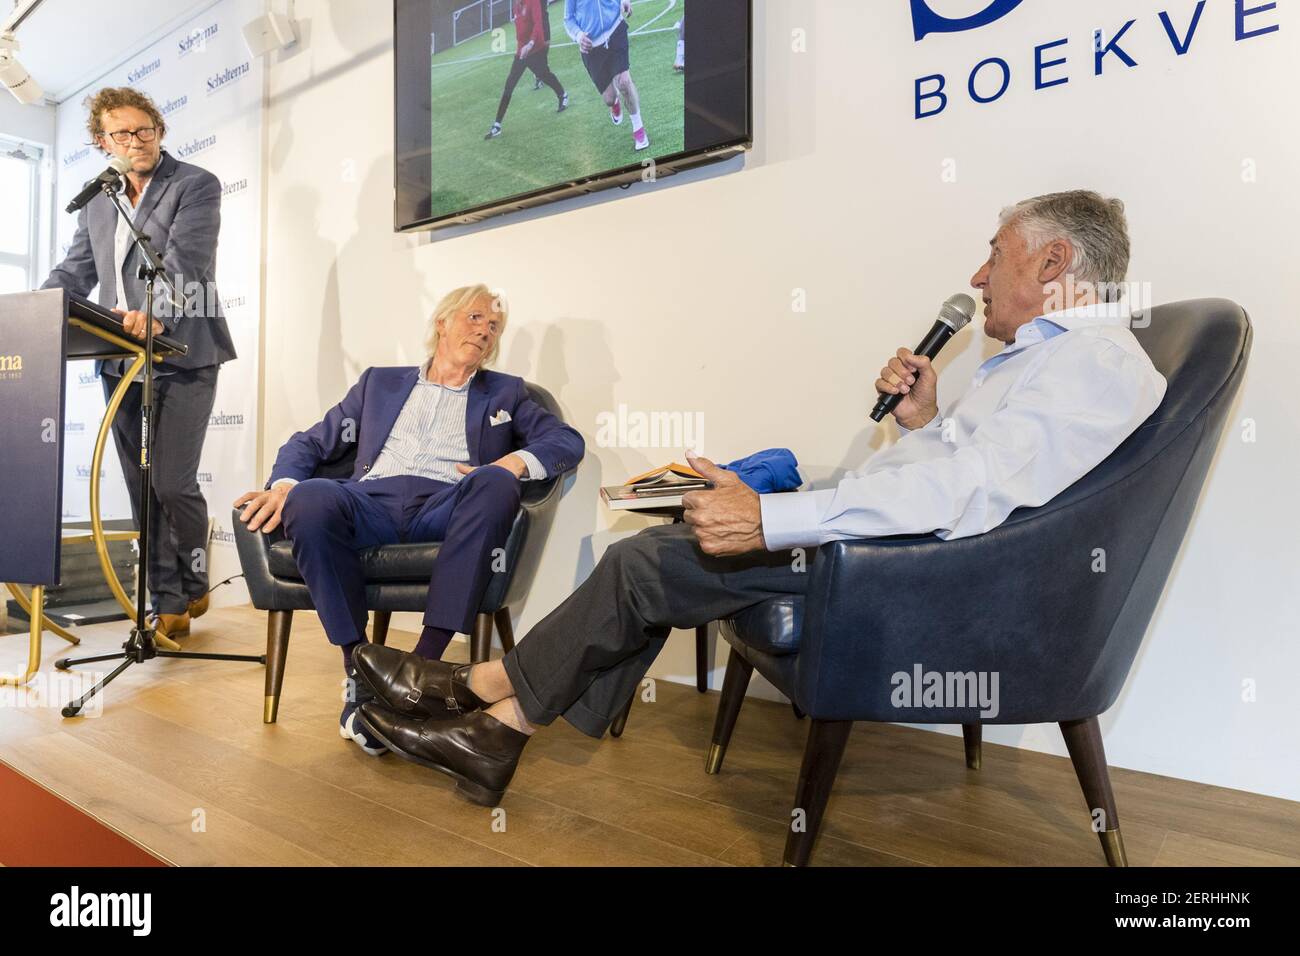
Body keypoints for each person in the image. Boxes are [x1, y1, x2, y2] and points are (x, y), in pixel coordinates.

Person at [352, 191, 1169, 808]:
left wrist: (772, 519)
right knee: (659, 549)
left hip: (926, 583)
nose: (977, 276)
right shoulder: (1044, 362)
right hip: (908, 556)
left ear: (1055, 264)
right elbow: (976, 471)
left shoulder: (1094, 363)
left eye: (995, 256)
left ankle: (479, 694)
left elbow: (965, 497)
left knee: (644, 561)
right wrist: (923, 421)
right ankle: (496, 721)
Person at [233, 285, 583, 756]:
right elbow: (310, 443)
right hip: (369, 502)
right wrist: (284, 485)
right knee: (311, 498)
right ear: (442, 322)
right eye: (475, 317)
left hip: (446, 504)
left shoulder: (506, 393)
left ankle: (420, 668)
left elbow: (566, 441)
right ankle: (361, 670)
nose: (485, 330)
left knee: (497, 484)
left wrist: (511, 465)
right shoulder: (379, 383)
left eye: (494, 326)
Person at [41, 87, 236, 640]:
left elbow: (186, 263)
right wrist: (35, 311)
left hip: (185, 350)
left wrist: (156, 314)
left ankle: (195, 579)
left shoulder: (195, 184)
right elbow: (76, 270)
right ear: (102, 142)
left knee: (172, 483)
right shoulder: (100, 200)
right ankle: (167, 601)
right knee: (140, 486)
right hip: (119, 359)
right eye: (122, 134)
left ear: (160, 131)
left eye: (145, 130)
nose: (136, 141)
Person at [564, 0, 650, 151]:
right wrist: (578, 36)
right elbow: (568, 19)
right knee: (609, 99)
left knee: (624, 82)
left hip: (615, 30)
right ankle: (614, 103)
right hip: (591, 47)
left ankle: (638, 128)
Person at [485, 0, 568, 140]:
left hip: (535, 49)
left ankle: (563, 95)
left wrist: (530, 45)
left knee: (544, 74)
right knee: (509, 85)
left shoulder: (533, 1)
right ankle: (497, 125)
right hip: (521, 52)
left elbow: (538, 24)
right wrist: (520, 51)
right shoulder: (516, 6)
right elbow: (520, 33)